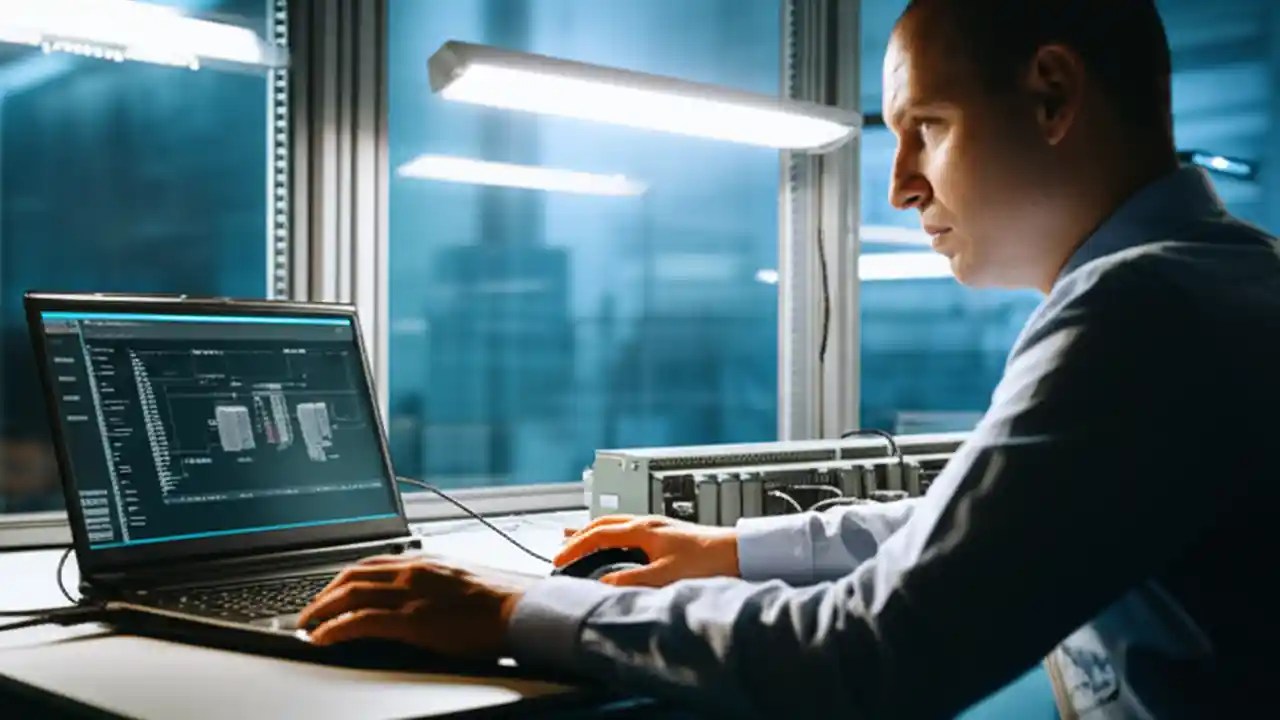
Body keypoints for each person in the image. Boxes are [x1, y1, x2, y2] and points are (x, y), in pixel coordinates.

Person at [299, 0, 1280, 716]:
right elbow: (991, 522)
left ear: (1051, 95)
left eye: (925, 129)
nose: (896, 186)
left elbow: (873, 651)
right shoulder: (1222, 281)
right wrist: (730, 549)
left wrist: (516, 612)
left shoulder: (1137, 310)